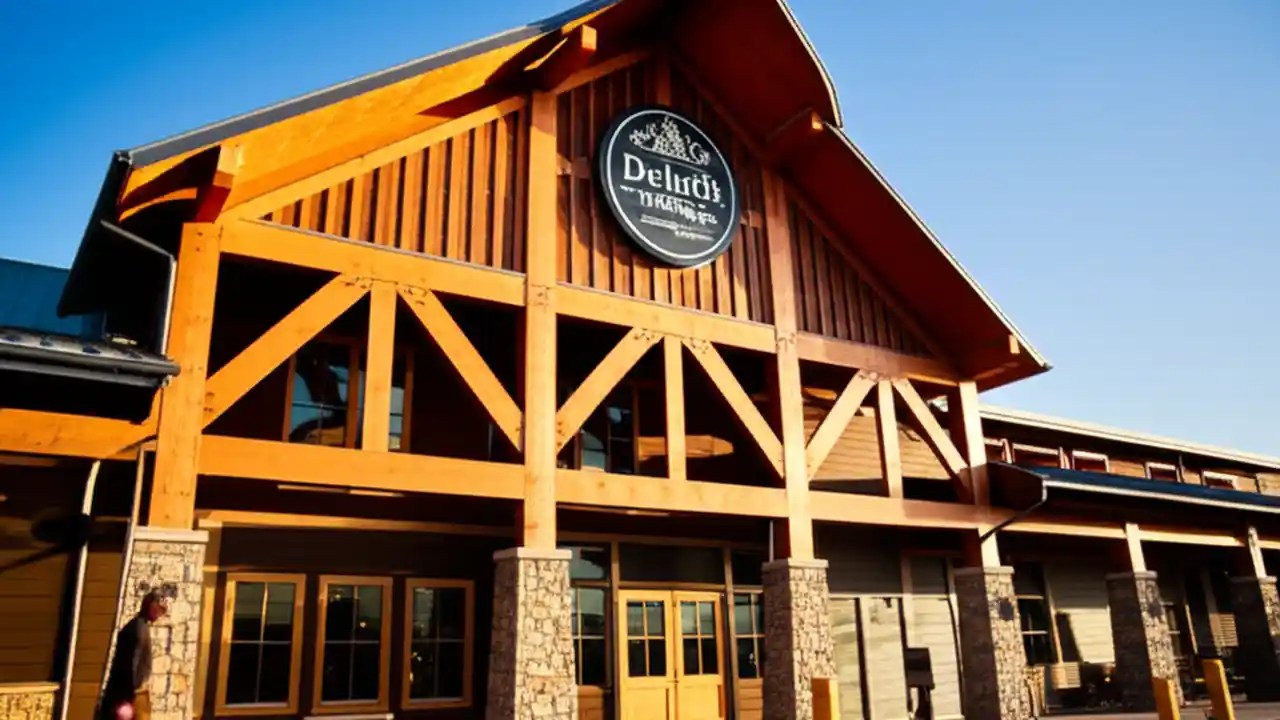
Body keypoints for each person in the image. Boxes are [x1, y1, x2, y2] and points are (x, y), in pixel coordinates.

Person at [100, 590, 166, 720]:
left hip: (125, 692)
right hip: (129, 694)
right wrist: (132, 693)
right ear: (151, 608)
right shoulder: (139, 630)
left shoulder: (137, 626)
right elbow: (133, 663)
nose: (160, 615)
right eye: (159, 610)